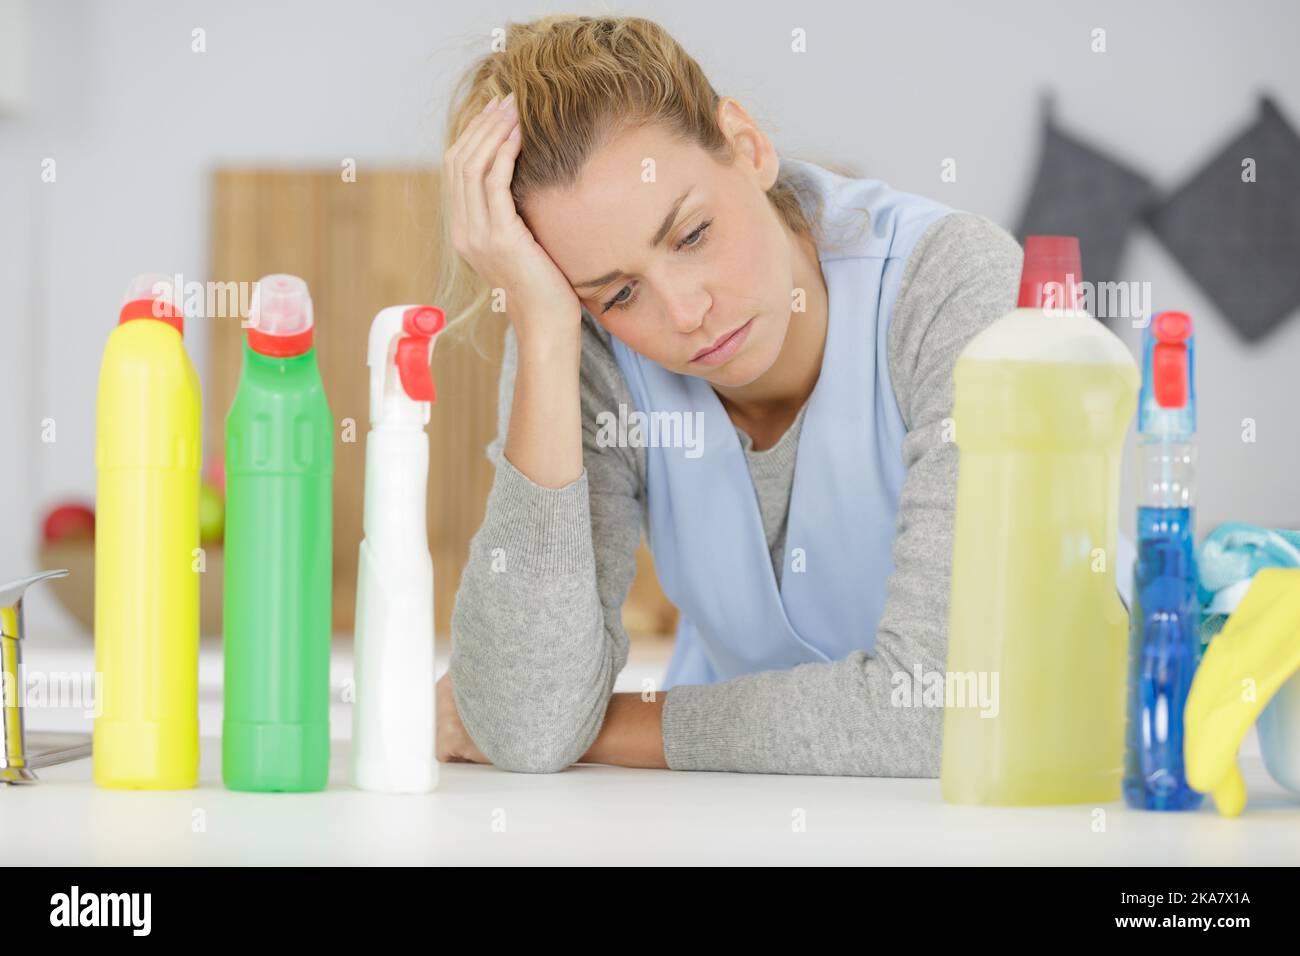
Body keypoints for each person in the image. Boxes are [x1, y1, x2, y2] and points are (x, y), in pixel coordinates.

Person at [434, 14, 1023, 775]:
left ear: (747, 146)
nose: (684, 313)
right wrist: (546, 331)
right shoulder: (581, 345)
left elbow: (944, 705)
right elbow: (521, 723)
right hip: (725, 819)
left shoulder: (953, 285)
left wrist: (597, 729)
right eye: (617, 295)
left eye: (690, 236)